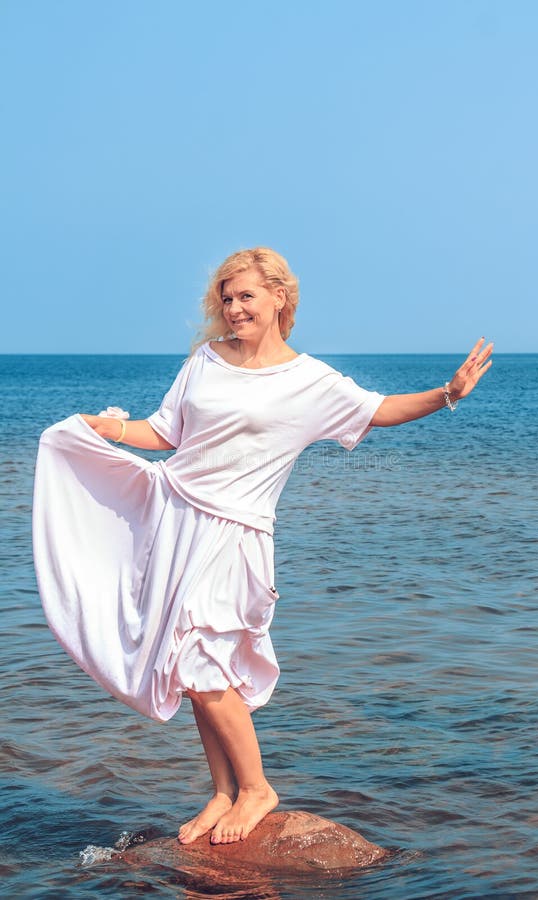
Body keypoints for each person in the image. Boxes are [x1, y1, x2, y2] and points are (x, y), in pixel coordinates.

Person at [32, 247, 493, 847]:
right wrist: (107, 429)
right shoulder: (205, 360)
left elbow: (379, 410)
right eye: (226, 298)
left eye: (245, 295)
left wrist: (448, 393)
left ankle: (257, 789)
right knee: (186, 664)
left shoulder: (309, 381)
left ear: (280, 297)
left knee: (202, 659)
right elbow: (166, 431)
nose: (233, 307)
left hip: (235, 532)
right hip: (175, 517)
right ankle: (223, 791)